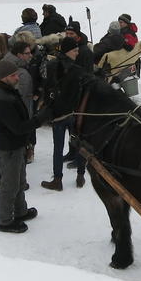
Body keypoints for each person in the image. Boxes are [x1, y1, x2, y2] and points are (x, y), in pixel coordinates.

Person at [0, 56, 37, 233]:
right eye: (14, 75)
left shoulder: (7, 89)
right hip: (8, 147)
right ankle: (4, 221)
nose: (18, 78)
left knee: (19, 180)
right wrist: (38, 120)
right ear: (4, 77)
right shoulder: (2, 98)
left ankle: (20, 211)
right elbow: (17, 127)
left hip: (15, 145)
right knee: (9, 184)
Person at [41, 39, 87, 192]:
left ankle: (57, 180)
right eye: (74, 50)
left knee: (58, 148)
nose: (77, 53)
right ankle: (80, 176)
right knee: (79, 145)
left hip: (58, 114)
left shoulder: (51, 65)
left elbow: (47, 89)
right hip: (73, 114)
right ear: (67, 51)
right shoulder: (77, 70)